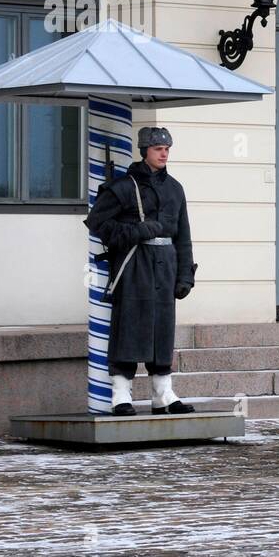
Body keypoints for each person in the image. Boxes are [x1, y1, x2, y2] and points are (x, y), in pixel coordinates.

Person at [85, 126, 198, 415]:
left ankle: (163, 394)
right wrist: (136, 231)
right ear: (144, 150)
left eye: (167, 149)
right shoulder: (123, 187)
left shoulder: (175, 189)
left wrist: (185, 274)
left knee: (162, 330)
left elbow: (182, 236)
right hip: (134, 265)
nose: (164, 153)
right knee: (129, 328)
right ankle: (120, 395)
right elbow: (98, 224)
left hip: (165, 266)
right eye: (158, 148)